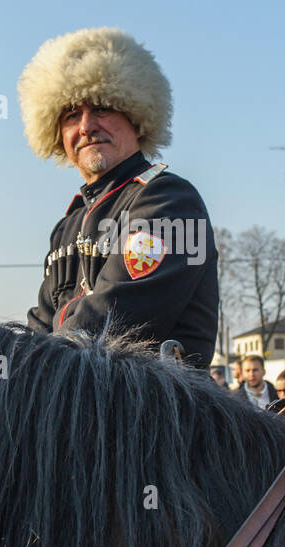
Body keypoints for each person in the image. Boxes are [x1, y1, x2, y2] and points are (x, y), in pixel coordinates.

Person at [21, 27, 219, 367]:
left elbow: (109, 323)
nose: (86, 127)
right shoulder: (67, 226)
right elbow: (39, 326)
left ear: (139, 120)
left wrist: (31, 369)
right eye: (71, 115)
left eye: (102, 108)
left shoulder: (170, 200)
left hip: (155, 414)